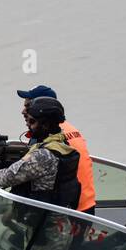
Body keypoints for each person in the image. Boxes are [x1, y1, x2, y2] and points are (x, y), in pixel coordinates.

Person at [0, 96, 82, 250]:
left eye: (33, 121)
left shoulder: (44, 154)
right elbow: (25, 172)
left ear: (46, 124)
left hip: (46, 231)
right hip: (55, 225)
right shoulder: (61, 145)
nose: (28, 124)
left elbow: (8, 177)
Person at [17, 84, 96, 214]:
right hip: (86, 203)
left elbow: (33, 168)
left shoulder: (46, 133)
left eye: (27, 106)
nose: (23, 111)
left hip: (69, 210)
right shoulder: (69, 128)